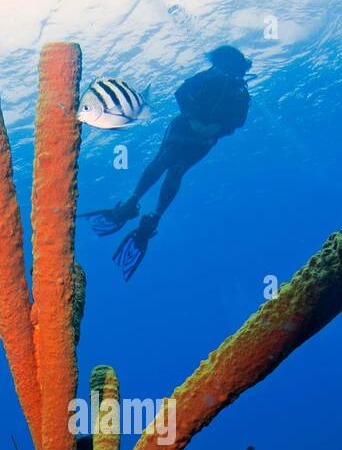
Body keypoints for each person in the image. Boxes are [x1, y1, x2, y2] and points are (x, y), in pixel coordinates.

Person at [82, 45, 252, 280]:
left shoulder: (240, 91)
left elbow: (238, 121)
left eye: (223, 67)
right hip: (185, 129)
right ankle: (133, 203)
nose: (219, 71)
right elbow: (182, 93)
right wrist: (194, 119)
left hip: (205, 139)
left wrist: (218, 129)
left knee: (175, 170)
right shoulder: (209, 78)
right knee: (164, 162)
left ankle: (151, 217)